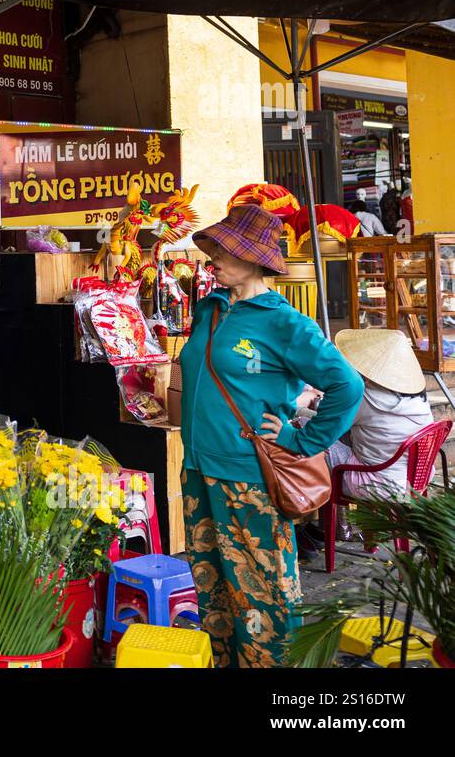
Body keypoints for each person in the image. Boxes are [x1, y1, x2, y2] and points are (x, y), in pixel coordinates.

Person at [179, 204, 363, 668]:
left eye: (226, 248)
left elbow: (347, 386)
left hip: (249, 475)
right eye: (215, 247)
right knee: (214, 585)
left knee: (264, 592)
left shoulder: (285, 323)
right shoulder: (211, 310)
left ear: (254, 258)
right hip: (198, 469)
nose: (213, 256)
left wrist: (302, 440)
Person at [327, 328, 433, 505]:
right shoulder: (419, 398)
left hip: (377, 485)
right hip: (415, 479)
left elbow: (329, 425)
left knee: (316, 445)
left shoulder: (367, 398)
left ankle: (337, 527)